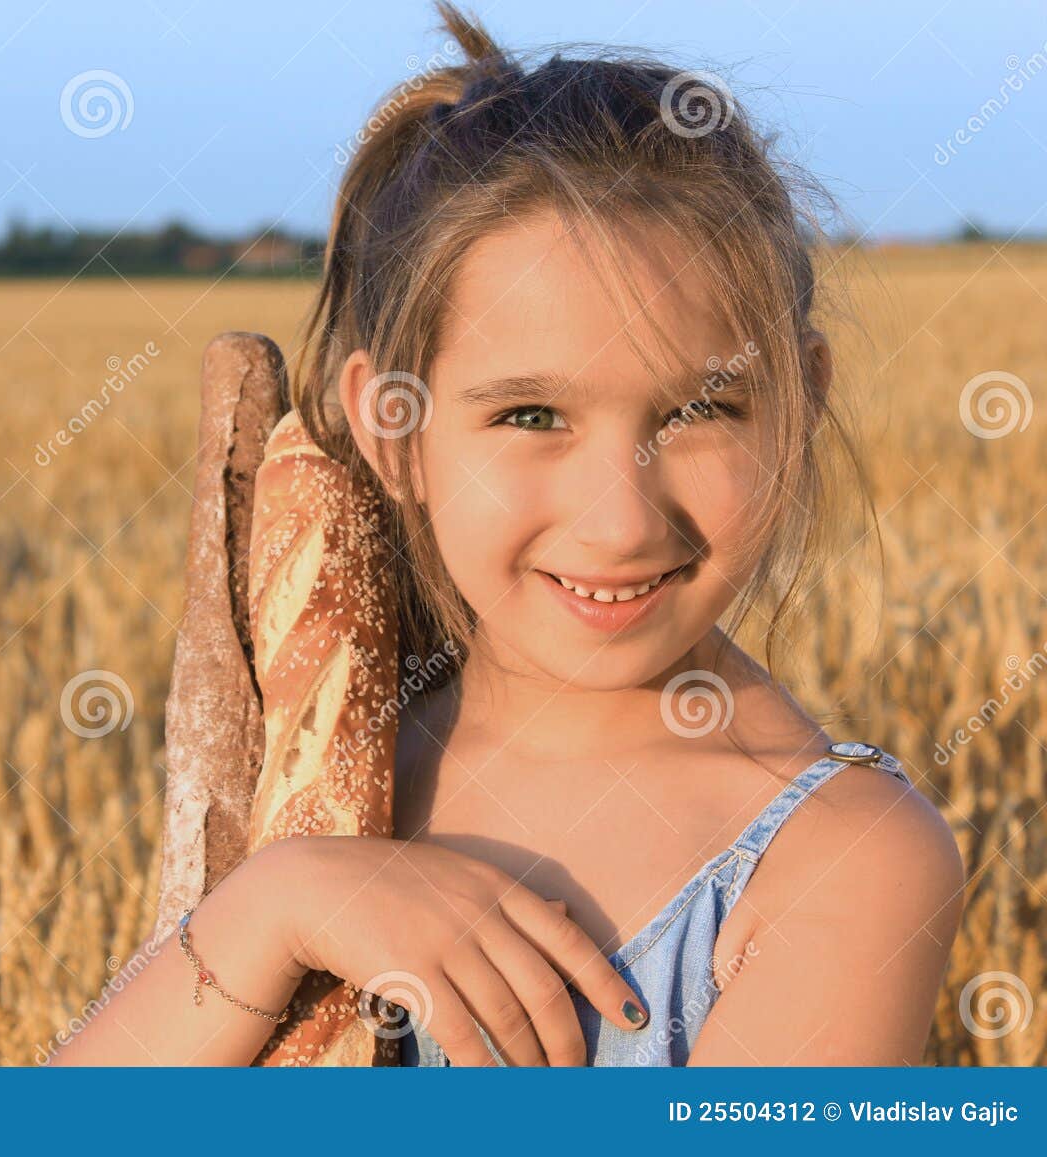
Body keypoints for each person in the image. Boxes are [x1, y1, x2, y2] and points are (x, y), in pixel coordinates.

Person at [47, 0, 964, 1067]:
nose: (619, 518)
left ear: (800, 405)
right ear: (394, 428)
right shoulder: (308, 757)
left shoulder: (844, 860)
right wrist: (277, 905)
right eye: (530, 417)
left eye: (698, 411)